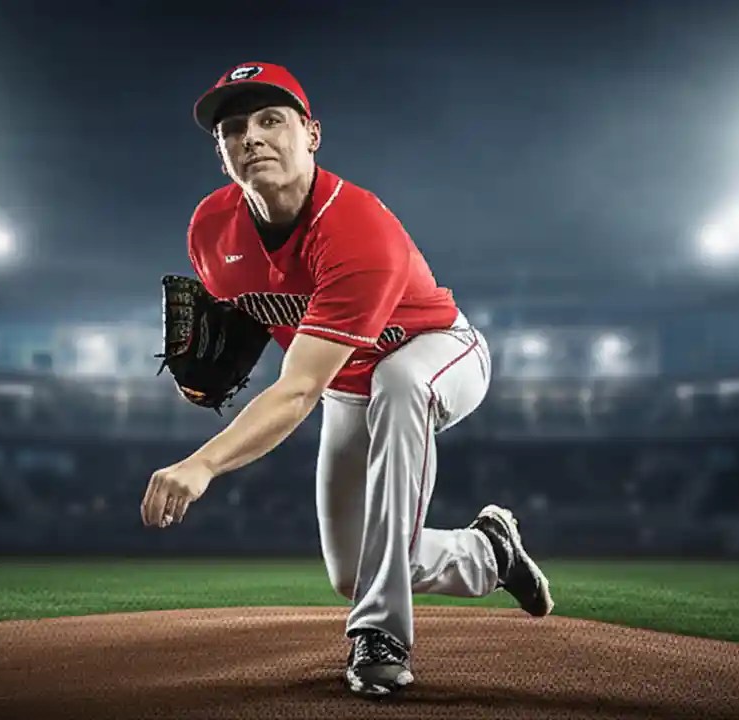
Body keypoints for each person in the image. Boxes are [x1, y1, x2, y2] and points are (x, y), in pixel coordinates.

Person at [140, 62, 554, 698]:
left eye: (271, 120)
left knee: (399, 383)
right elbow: (246, 331)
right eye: (232, 128)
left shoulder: (355, 228)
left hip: (440, 351)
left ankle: (380, 635)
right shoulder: (209, 230)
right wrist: (202, 373)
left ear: (313, 135)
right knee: (354, 568)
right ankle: (491, 554)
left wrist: (203, 465)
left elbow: (298, 389)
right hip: (348, 388)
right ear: (221, 153)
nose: (250, 137)